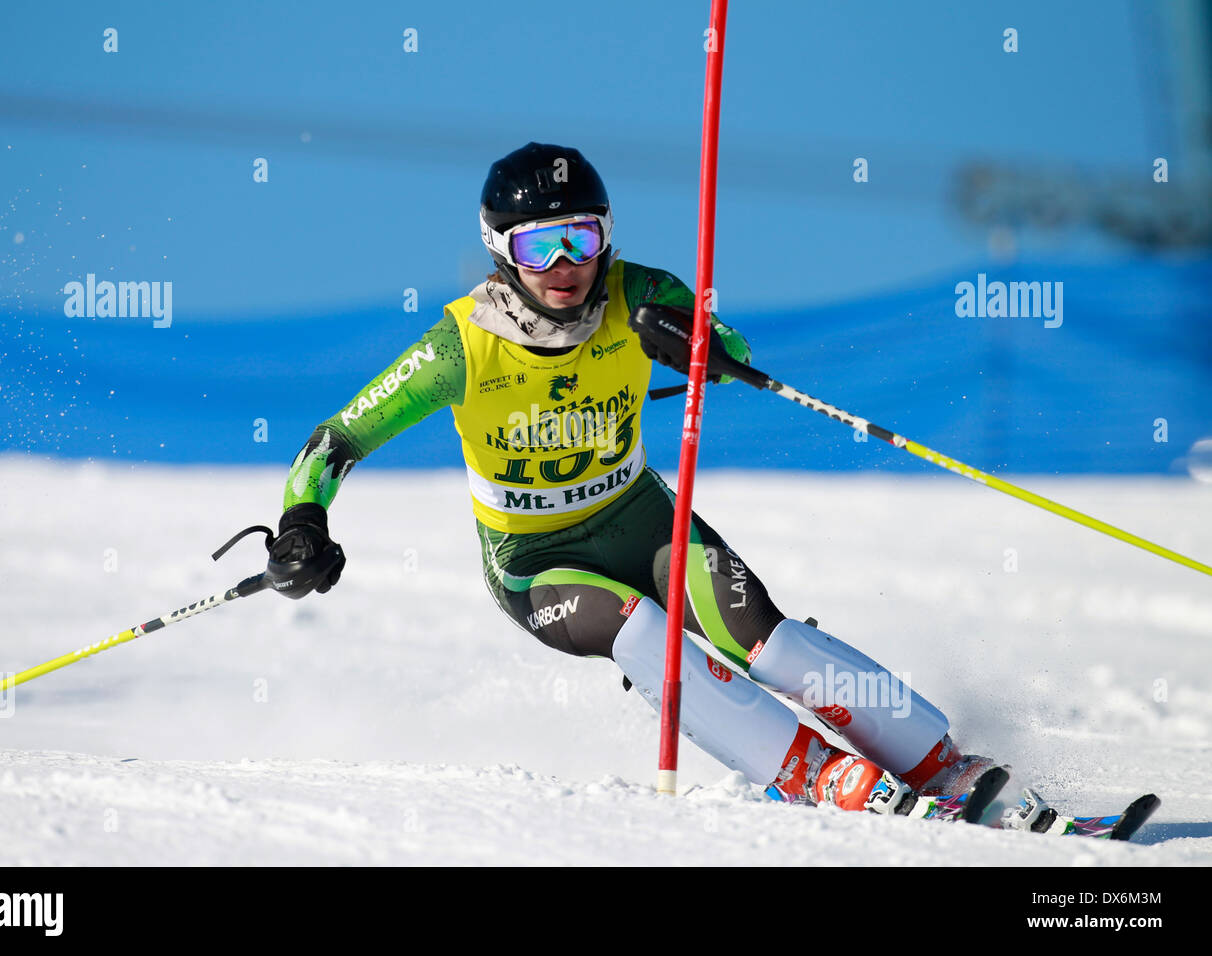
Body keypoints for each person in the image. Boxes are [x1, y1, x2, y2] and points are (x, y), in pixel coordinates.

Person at [264, 142, 996, 816]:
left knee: (768, 643)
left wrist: (696, 344)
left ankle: (936, 761)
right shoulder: (462, 345)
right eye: (537, 245)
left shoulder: (639, 292)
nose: (562, 264)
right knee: (646, 633)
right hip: (536, 565)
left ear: (606, 234)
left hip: (644, 524)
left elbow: (730, 349)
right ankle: (810, 774)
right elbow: (336, 438)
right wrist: (303, 521)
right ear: (500, 251)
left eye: (578, 237)